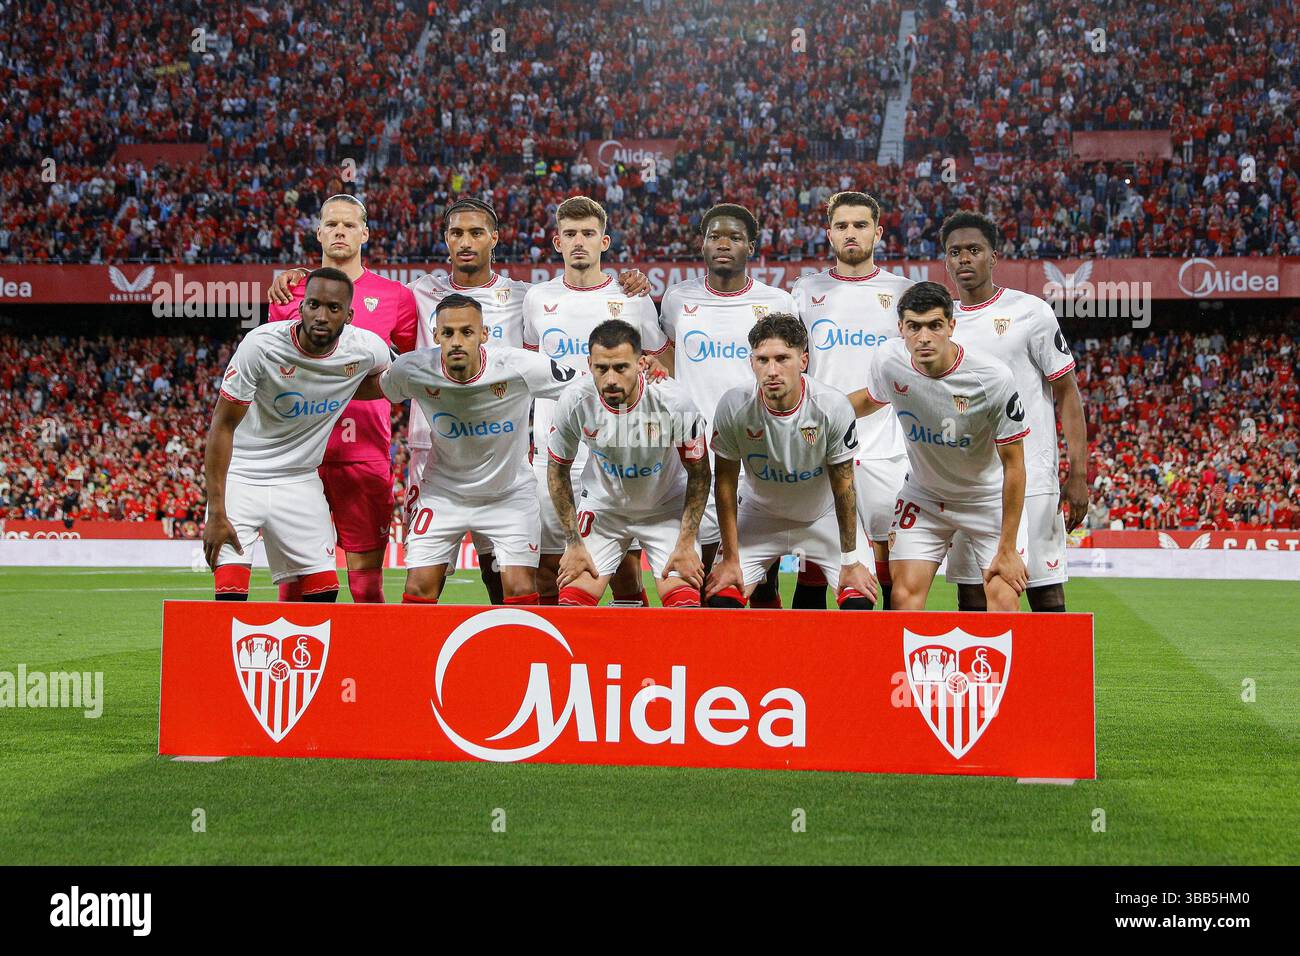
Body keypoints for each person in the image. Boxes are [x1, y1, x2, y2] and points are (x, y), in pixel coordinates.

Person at [377, 294, 581, 605]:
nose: (456, 341)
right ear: (435, 336)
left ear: (483, 334)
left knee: (521, 588)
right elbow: (377, 389)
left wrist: (642, 378)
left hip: (508, 494)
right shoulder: (412, 369)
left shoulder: (519, 366)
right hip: (444, 493)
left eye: (466, 332)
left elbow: (583, 388)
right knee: (418, 588)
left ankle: (519, 652)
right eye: (448, 333)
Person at [203, 268, 392, 601]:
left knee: (323, 593)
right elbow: (222, 425)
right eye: (314, 305)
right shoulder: (261, 345)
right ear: (301, 307)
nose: (321, 316)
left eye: (333, 308)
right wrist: (216, 510)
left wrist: (346, 389)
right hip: (242, 476)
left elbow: (386, 381)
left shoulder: (367, 348)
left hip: (299, 480)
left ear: (348, 315)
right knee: (230, 594)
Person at [264, 195, 418, 603]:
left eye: (349, 225)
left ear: (365, 233)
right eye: (331, 224)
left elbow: (408, 368)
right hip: (299, 459)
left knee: (366, 585)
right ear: (318, 233)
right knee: (296, 582)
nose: (339, 231)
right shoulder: (289, 294)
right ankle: (301, 666)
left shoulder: (395, 297)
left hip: (364, 455)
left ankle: (371, 668)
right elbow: (276, 370)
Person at [845, 281, 1029, 612]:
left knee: (1004, 602)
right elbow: (871, 400)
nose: (924, 337)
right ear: (900, 328)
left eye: (934, 325)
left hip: (986, 500)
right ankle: (902, 667)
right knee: (903, 598)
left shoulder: (992, 378)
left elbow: (1014, 464)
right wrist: (813, 415)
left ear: (951, 326)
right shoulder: (889, 360)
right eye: (913, 327)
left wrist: (1009, 546)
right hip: (925, 498)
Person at [523, 196, 670, 605]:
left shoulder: (631, 297)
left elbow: (660, 361)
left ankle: (627, 653)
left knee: (624, 569)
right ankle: (559, 656)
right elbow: (532, 370)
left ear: (604, 241)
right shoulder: (537, 299)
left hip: (621, 450)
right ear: (557, 242)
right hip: (555, 452)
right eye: (570, 234)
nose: (579, 242)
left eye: (588, 234)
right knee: (551, 567)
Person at [941, 211, 1087, 612]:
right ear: (946, 262)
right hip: (969, 483)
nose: (964, 259)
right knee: (973, 590)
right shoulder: (941, 325)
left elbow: (1067, 393)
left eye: (974, 250)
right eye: (955, 252)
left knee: (1045, 590)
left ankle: (1051, 677)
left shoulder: (1031, 312)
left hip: (1033, 476)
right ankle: (983, 676)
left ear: (994, 257)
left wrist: (1078, 474)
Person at [658, 202, 794, 607]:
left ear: (750, 246)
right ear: (702, 243)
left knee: (760, 577)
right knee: (698, 571)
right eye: (715, 235)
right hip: (693, 452)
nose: (723, 244)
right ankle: (705, 664)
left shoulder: (779, 302)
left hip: (759, 449)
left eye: (734, 237)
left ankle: (768, 666)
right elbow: (669, 358)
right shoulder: (677, 299)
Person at [790, 190, 916, 609]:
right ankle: (807, 671)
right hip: (819, 446)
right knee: (814, 566)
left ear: (878, 232)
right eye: (841, 225)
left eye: (860, 225)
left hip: (885, 450)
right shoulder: (805, 291)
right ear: (829, 233)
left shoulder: (904, 292)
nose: (850, 233)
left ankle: (879, 667)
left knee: (885, 570)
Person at [704, 313, 877, 609]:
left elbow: (844, 486)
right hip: (759, 514)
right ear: (752, 363)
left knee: (859, 601)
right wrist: (731, 558)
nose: (771, 370)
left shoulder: (831, 405)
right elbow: (725, 483)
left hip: (822, 517)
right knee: (721, 598)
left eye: (782, 358)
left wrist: (850, 560)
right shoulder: (733, 405)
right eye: (762, 360)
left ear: (803, 361)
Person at [547, 320, 710, 608]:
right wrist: (573, 543)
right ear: (589, 364)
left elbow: (700, 473)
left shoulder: (674, 402)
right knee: (572, 606)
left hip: (665, 508)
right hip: (604, 511)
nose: (610, 379)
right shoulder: (574, 400)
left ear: (640, 363)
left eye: (621, 367)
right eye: (601, 368)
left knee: (685, 606)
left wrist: (686, 542)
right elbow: (557, 471)